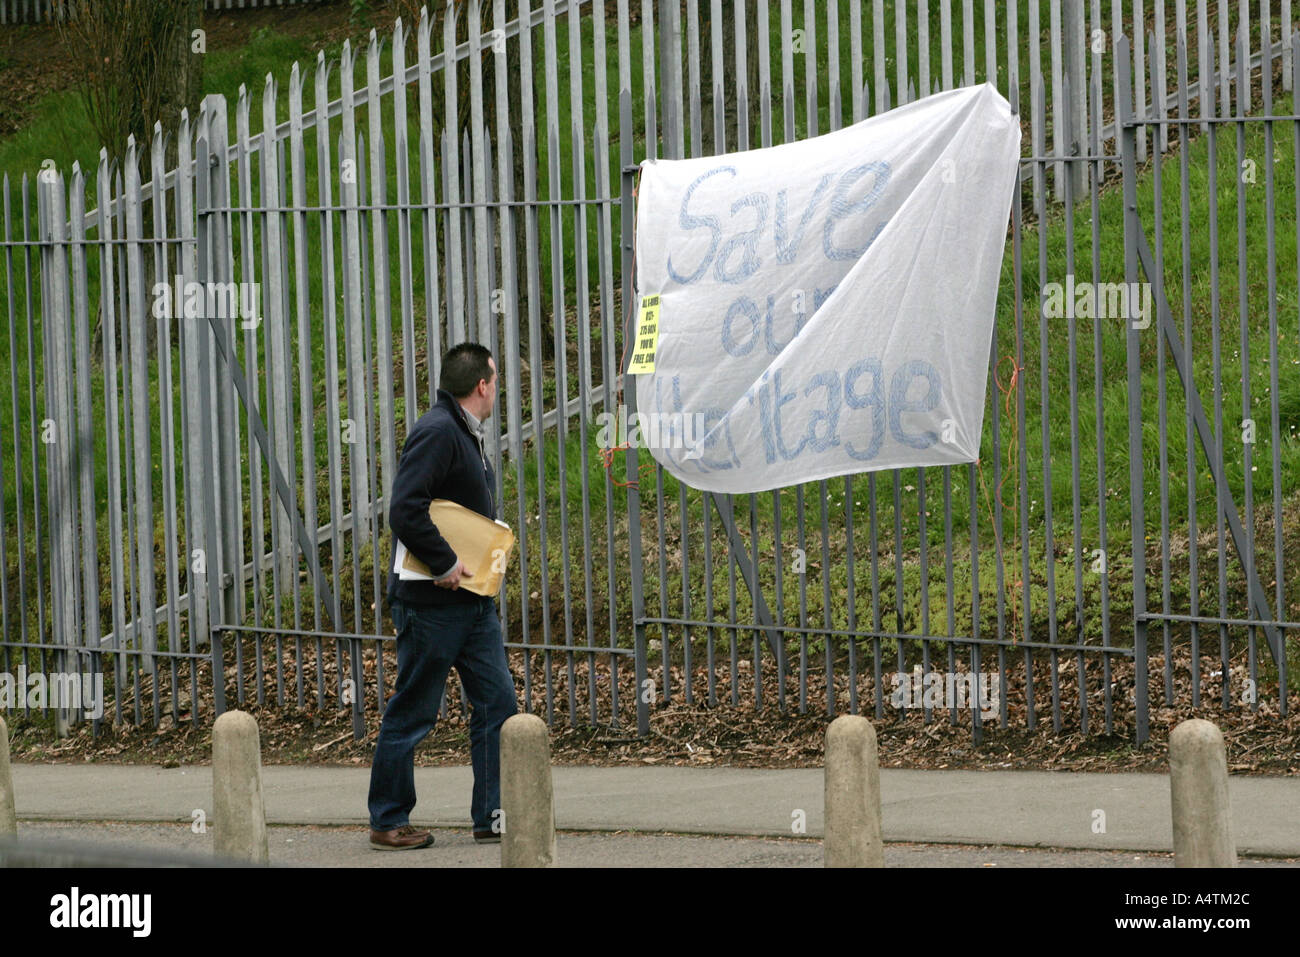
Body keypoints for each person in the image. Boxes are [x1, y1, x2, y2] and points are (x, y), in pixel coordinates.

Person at [367, 342, 518, 850]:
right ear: (482, 385)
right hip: (433, 605)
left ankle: (491, 817)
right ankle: (388, 819)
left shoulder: (460, 431)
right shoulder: (437, 432)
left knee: (498, 705)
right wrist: (448, 562)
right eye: (495, 379)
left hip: (472, 605)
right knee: (413, 712)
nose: (496, 388)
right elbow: (406, 509)